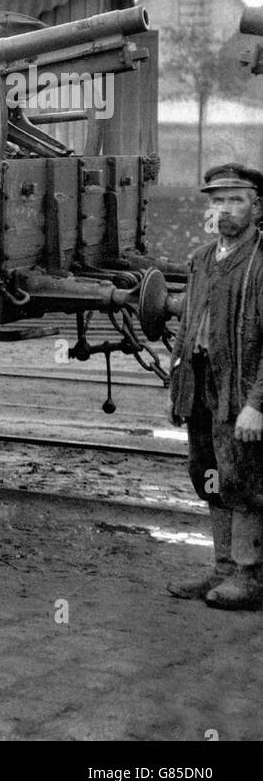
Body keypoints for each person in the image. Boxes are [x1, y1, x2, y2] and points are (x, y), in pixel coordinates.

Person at [166, 163, 263, 611]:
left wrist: (256, 405)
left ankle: (249, 575)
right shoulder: (203, 259)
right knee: (208, 474)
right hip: (201, 383)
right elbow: (188, 327)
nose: (224, 209)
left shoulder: (260, 262)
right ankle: (222, 569)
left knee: (243, 479)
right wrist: (178, 388)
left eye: (236, 200)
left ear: (257, 206)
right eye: (217, 200)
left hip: (240, 389)